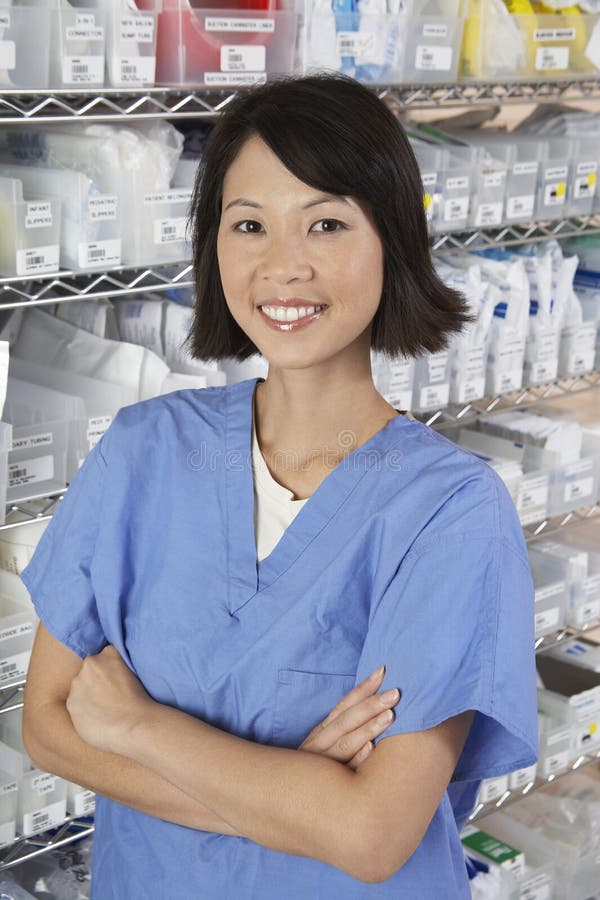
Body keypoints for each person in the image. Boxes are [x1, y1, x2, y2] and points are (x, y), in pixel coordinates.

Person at [20, 74, 538, 899]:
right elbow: (48, 725)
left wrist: (139, 727)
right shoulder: (144, 452)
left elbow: (370, 837)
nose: (282, 266)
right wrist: (297, 793)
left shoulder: (448, 511)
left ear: (392, 241)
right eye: (249, 225)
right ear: (213, 245)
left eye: (326, 223)